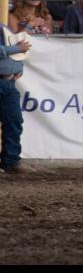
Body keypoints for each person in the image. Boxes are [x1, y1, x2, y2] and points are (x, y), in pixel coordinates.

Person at [0, 25, 28, 174]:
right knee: (13, 120)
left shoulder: (5, 28)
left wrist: (18, 67)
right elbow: (16, 50)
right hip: (6, 82)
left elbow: (15, 54)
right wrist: (17, 49)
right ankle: (11, 160)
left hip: (8, 82)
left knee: (14, 120)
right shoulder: (5, 28)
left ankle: (11, 161)